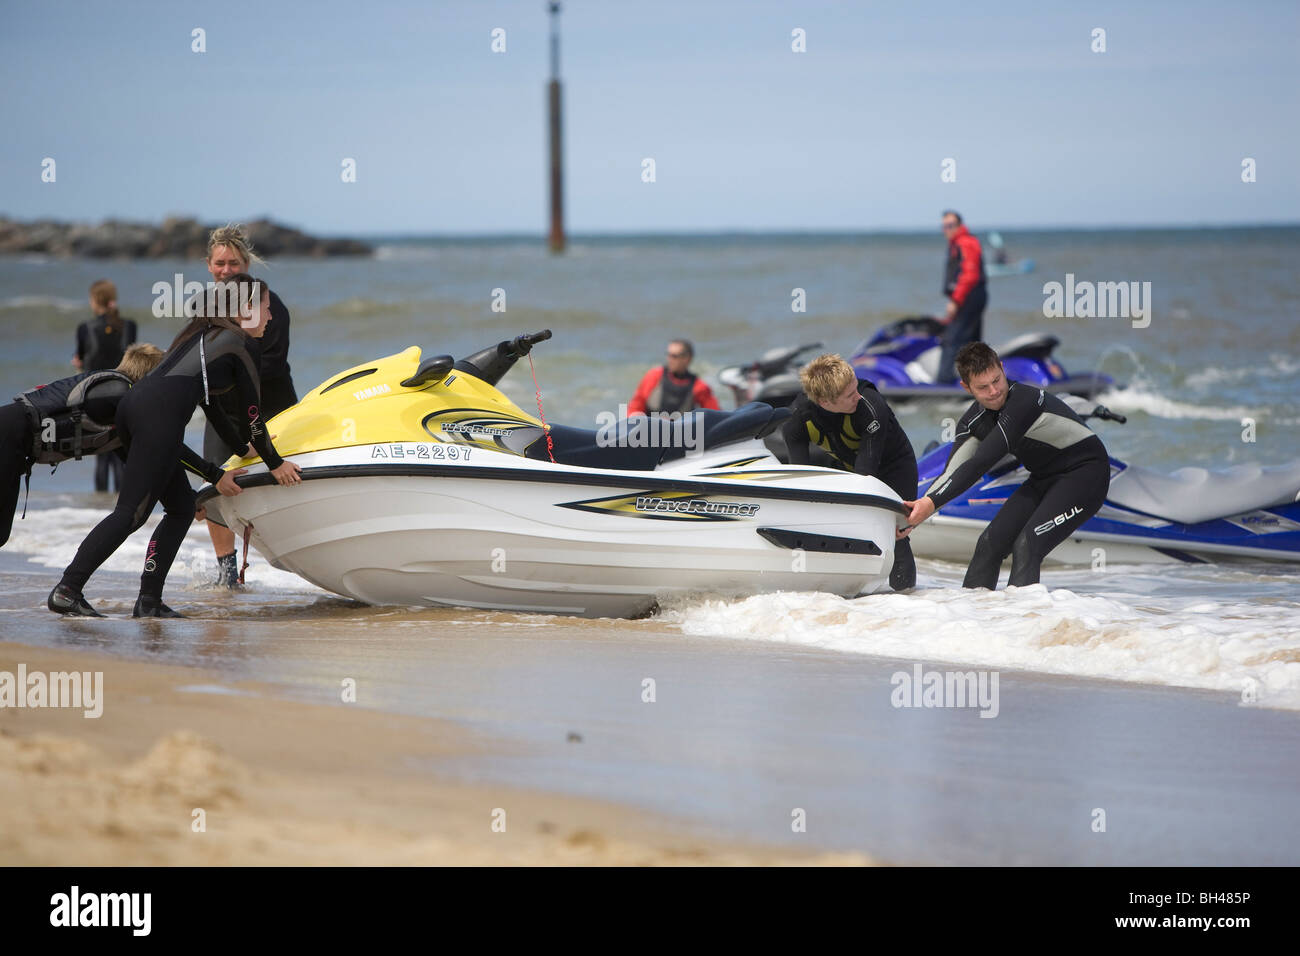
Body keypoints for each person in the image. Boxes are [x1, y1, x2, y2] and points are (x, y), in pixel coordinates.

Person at [47, 275, 302, 619]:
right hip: (155, 418)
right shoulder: (240, 343)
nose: (270, 318)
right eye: (267, 309)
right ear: (247, 309)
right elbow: (253, 416)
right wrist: (276, 464)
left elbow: (212, 407)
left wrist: (240, 451)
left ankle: (149, 600)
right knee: (130, 513)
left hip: (134, 409)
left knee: (182, 508)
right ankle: (68, 588)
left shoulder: (204, 335)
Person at [901, 342, 1110, 589]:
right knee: (989, 543)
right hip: (1043, 478)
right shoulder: (972, 422)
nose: (994, 391)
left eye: (996, 380)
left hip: (1087, 474)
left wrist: (930, 504)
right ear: (966, 387)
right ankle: (975, 619)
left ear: (1001, 368)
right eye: (982, 387)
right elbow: (952, 472)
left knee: (1028, 543)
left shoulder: (1024, 401)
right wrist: (920, 507)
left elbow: (981, 462)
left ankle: (1026, 623)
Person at [201, 225, 298, 586]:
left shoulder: (270, 306)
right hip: (222, 408)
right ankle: (228, 575)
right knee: (215, 479)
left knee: (286, 477)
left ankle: (299, 561)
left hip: (272, 406)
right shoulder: (206, 307)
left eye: (234, 263)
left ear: (247, 263)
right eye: (220, 263)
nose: (227, 270)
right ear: (208, 265)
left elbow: (269, 364)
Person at [2, 344, 163, 549]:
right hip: (8, 435)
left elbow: (138, 456)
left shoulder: (113, 395)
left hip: (13, 440)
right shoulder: (118, 394)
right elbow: (151, 445)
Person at [782, 354, 918, 590]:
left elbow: (865, 476)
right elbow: (800, 480)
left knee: (895, 534)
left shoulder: (871, 408)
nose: (858, 396)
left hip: (894, 467)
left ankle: (906, 598)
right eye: (850, 395)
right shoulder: (797, 420)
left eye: (856, 387)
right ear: (825, 402)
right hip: (845, 463)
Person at [73, 280, 139, 491]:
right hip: (122, 395)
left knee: (101, 456)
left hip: (93, 398)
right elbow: (130, 359)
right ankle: (119, 504)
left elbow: (81, 359)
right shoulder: (129, 326)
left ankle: (99, 507)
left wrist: (79, 362)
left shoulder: (85, 328)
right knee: (120, 452)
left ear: (95, 300)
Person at [937, 210, 988, 384]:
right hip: (972, 295)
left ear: (960, 226)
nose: (947, 230)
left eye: (951, 225)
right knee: (971, 342)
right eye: (944, 226)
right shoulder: (957, 243)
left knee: (951, 339)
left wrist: (955, 300)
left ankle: (943, 382)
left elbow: (970, 275)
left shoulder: (965, 242)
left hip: (969, 296)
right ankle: (979, 379)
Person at [627, 339, 720, 416]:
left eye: (674, 356)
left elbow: (716, 415)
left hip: (680, 435)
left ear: (687, 359)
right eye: (668, 355)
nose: (669, 360)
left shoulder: (699, 386)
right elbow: (636, 405)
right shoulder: (654, 376)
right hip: (649, 432)